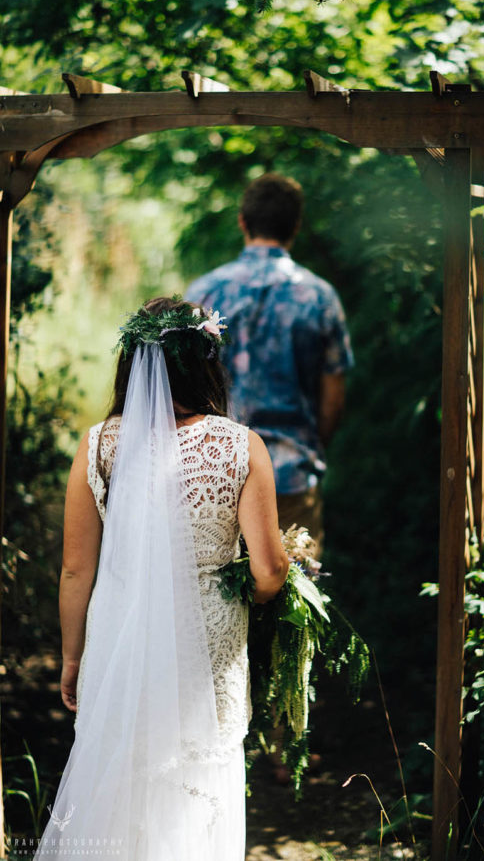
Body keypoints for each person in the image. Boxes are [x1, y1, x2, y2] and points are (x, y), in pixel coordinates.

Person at [36, 297, 289, 861]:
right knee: (197, 781)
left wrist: (73, 657)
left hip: (121, 640)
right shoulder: (241, 447)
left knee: (121, 774)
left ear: (135, 363)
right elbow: (269, 569)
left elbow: (77, 567)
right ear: (205, 364)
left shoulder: (99, 445)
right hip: (209, 644)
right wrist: (267, 592)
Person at [186, 173, 354, 554]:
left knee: (222, 597)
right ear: (295, 226)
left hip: (216, 475)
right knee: (296, 599)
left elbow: (182, 388)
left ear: (243, 222)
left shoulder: (205, 292)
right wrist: (308, 448)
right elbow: (333, 399)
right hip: (292, 474)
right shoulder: (320, 297)